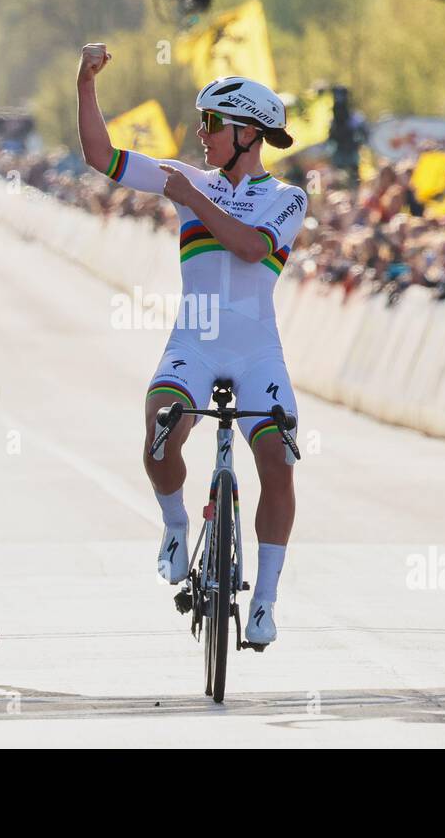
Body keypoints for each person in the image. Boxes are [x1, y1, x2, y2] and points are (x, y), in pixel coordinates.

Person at [76, 42, 306, 648]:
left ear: (247, 134)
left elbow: (252, 248)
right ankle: (176, 524)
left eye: (211, 123)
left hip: (257, 353)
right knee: (159, 431)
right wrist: (85, 84)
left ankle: (265, 600)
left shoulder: (286, 198)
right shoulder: (189, 178)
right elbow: (101, 156)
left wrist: (191, 198)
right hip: (195, 342)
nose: (200, 134)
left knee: (278, 463)